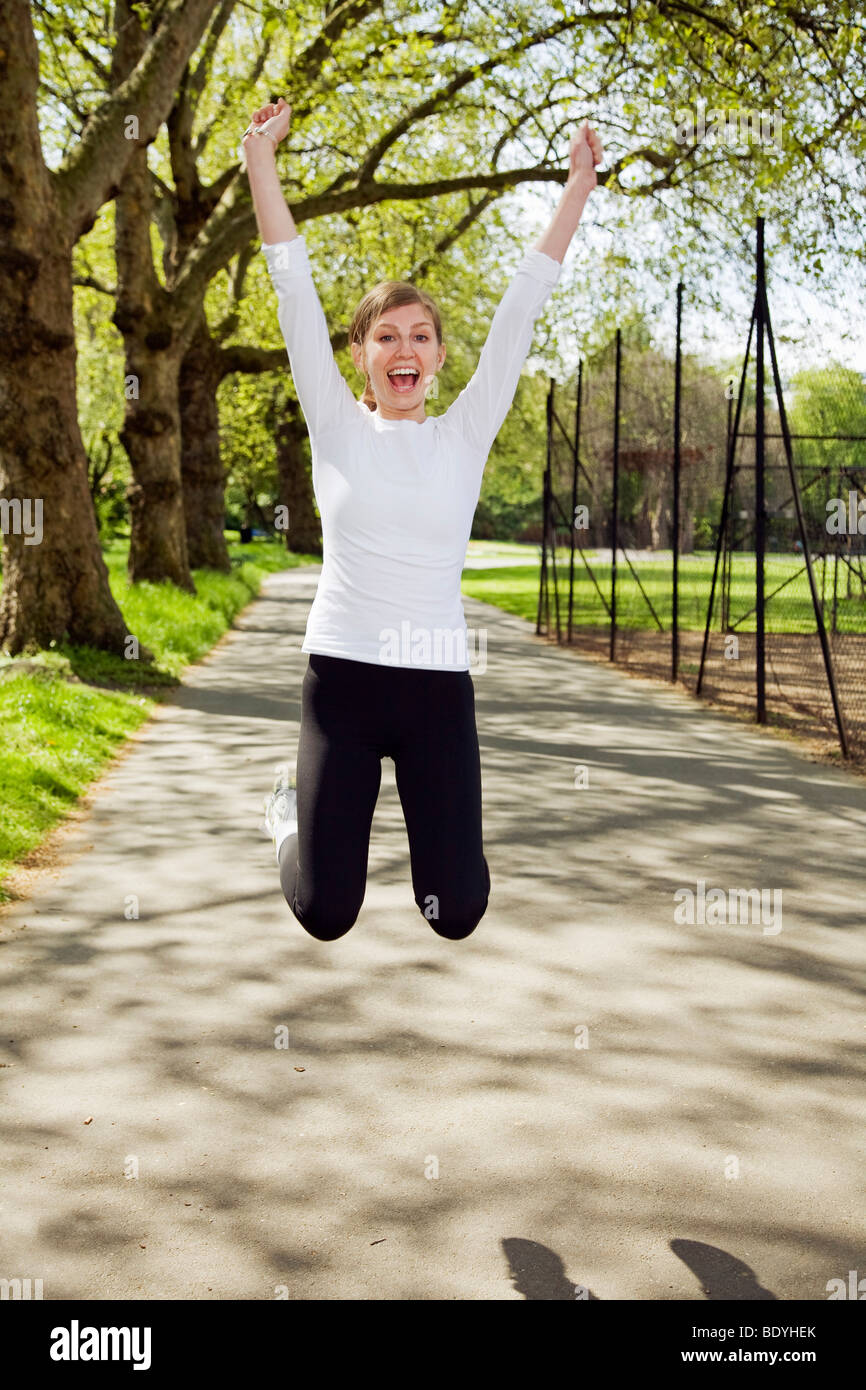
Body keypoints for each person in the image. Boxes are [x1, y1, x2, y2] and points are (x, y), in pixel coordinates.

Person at [242, 98, 603, 942]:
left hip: (437, 688)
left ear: (438, 359)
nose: (404, 349)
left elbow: (519, 312)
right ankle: (290, 819)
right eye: (385, 337)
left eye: (420, 336)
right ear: (362, 358)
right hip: (342, 683)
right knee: (328, 912)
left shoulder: (465, 434)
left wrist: (576, 191)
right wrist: (262, 158)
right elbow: (291, 283)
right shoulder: (335, 423)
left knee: (458, 910)